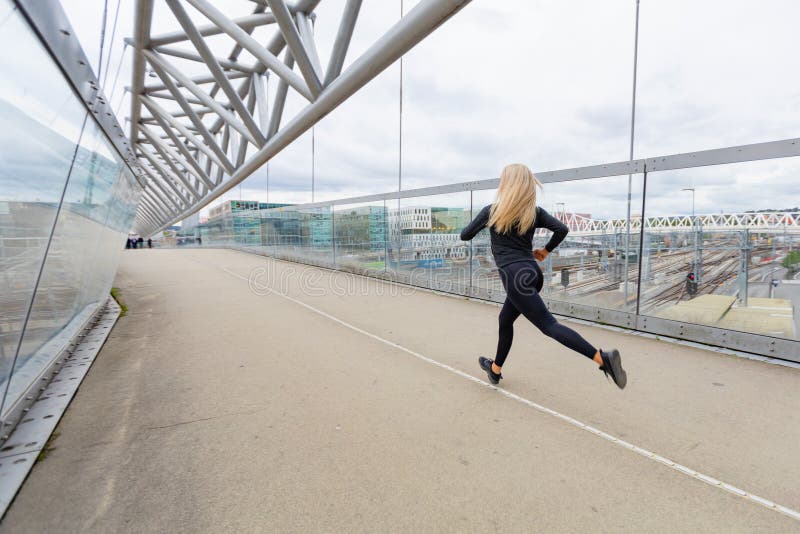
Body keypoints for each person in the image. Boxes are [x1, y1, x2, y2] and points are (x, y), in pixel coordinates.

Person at [460, 163, 627, 389]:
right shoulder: (534, 213)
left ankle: (602, 359)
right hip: (532, 274)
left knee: (549, 325)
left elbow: (465, 235)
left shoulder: (492, 211)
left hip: (514, 277)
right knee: (505, 320)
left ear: (506, 185)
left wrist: (486, 223)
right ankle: (495, 369)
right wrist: (545, 251)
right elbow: (562, 229)